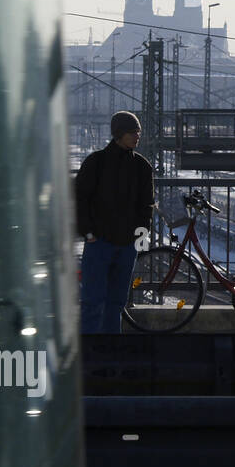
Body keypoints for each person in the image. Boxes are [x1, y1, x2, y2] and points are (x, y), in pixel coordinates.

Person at [75, 111, 156, 334]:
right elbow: (79, 200)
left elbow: (146, 206)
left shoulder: (142, 166)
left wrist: (140, 238)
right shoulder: (97, 163)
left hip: (121, 244)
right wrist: (88, 233)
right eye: (132, 132)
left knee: (115, 303)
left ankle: (105, 354)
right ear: (119, 134)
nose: (137, 136)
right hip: (100, 242)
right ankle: (95, 355)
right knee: (94, 303)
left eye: (138, 132)